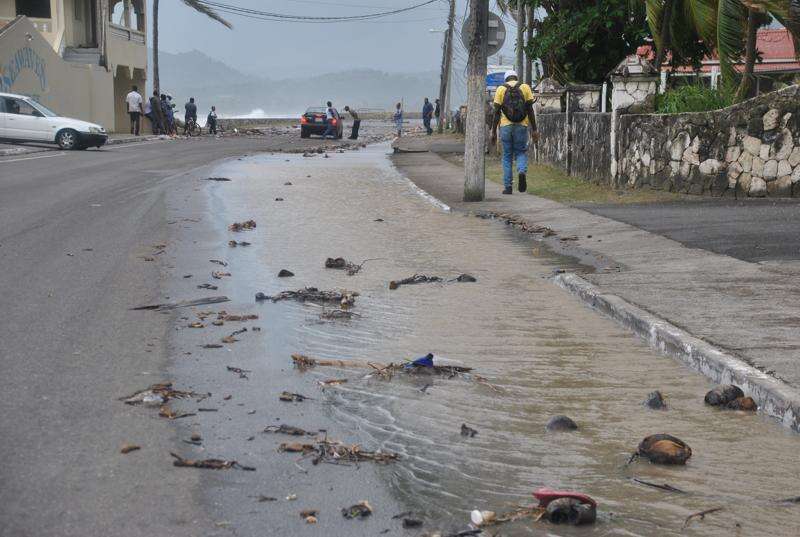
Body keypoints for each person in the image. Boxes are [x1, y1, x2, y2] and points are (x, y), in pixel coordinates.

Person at [490, 70, 538, 195]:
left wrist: (493, 131)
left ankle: (508, 187)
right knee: (521, 152)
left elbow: (496, 113)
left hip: (506, 126)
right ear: (516, 77)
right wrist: (535, 129)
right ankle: (521, 171)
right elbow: (530, 110)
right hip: (522, 126)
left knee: (507, 156)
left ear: (506, 79)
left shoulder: (500, 89)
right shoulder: (525, 87)